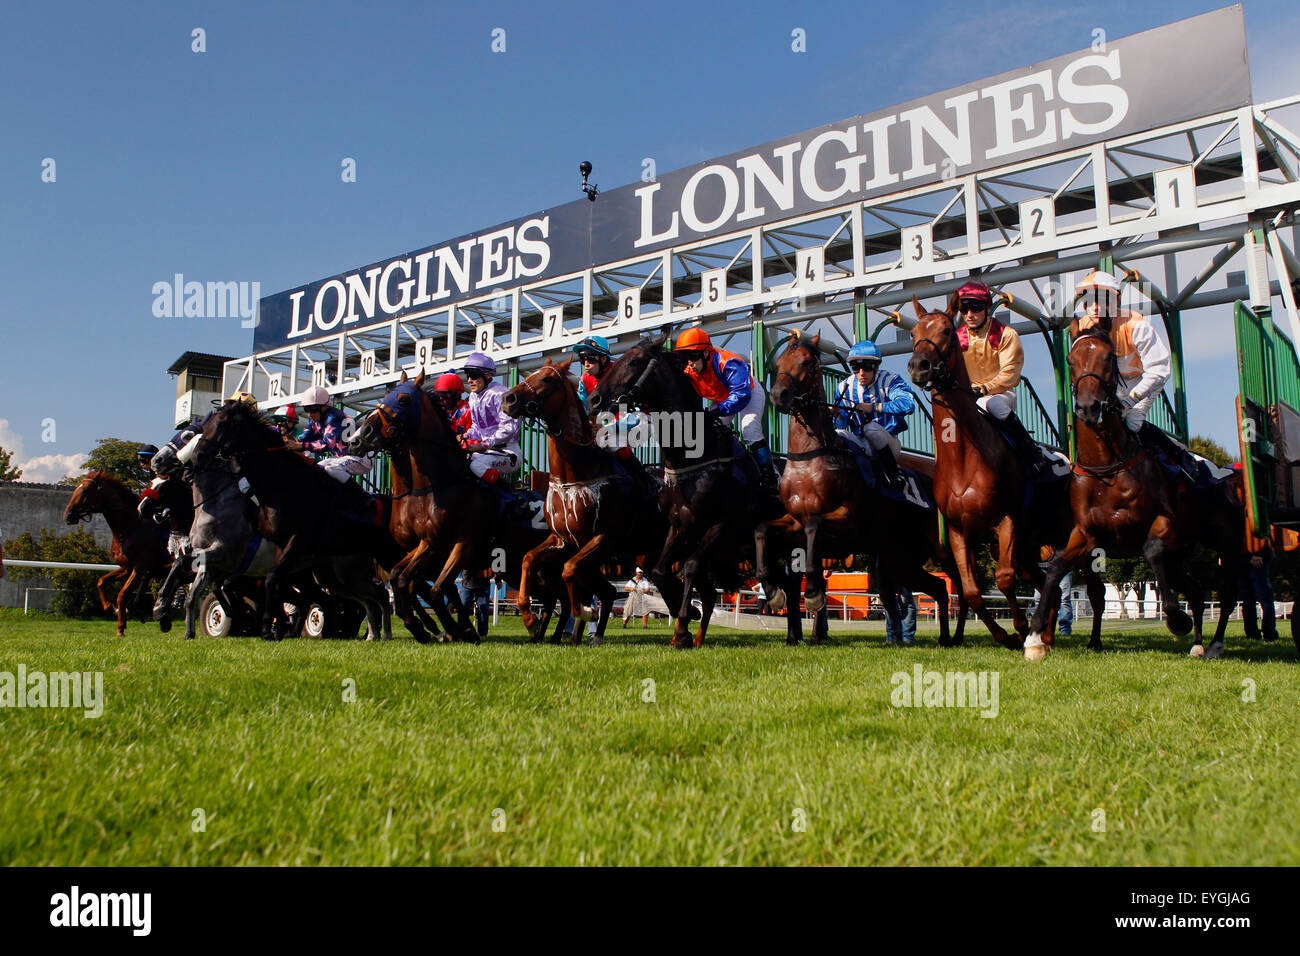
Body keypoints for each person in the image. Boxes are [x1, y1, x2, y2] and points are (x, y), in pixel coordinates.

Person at [1074, 270, 1196, 478]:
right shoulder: (1084, 326)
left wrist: (1131, 401)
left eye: (1100, 300)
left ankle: (1179, 457)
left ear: (1116, 300)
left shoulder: (1136, 325)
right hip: (1112, 384)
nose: (1094, 307)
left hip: (1142, 381)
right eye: (1088, 301)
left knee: (1132, 423)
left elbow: (1159, 369)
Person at [953, 280, 1049, 477]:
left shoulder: (1007, 335)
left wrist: (983, 389)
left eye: (976, 308)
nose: (969, 314)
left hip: (1000, 394)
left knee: (994, 405)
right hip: (966, 396)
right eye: (964, 309)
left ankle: (1031, 451)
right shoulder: (955, 338)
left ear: (987, 308)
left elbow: (1010, 374)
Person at [675, 327, 777, 491]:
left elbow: (741, 396)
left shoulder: (728, 362)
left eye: (693, 356)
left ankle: (770, 477)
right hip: (722, 398)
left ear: (706, 353)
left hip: (748, 393)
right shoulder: (690, 371)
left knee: (749, 430)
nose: (689, 363)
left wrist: (716, 412)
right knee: (709, 431)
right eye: (685, 357)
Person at [832, 340, 914, 488]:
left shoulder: (890, 380)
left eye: (867, 367)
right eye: (856, 367)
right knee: (838, 434)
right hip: (860, 443)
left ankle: (894, 474)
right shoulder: (844, 386)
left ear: (876, 366)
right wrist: (836, 415)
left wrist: (874, 407)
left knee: (871, 428)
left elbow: (908, 405)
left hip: (888, 442)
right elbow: (841, 425)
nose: (861, 373)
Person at [458, 353, 522, 484]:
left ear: (487, 376)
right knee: (460, 462)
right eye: (467, 375)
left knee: (476, 466)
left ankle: (507, 490)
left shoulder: (500, 393)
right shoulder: (473, 396)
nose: (469, 380)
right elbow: (477, 427)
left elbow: (509, 428)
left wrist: (482, 445)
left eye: (473, 375)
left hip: (508, 453)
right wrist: (466, 435)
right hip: (490, 452)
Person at [290, 385, 374, 484]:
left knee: (332, 468)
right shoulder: (314, 419)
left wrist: (299, 446)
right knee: (316, 469)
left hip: (361, 458)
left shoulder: (334, 417)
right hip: (342, 457)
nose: (309, 414)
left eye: (312, 409)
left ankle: (358, 492)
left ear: (324, 407)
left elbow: (325, 445)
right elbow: (303, 439)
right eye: (306, 409)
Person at [1238, 549, 1279, 642]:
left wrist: (1259, 554)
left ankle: (1264, 633)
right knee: (1251, 600)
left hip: (1256, 558)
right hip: (1245, 559)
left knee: (1261, 599)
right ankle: (1262, 634)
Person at [432, 372, 472, 438]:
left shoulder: (468, 412)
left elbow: (474, 440)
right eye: (438, 395)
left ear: (456, 395)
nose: (440, 398)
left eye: (444, 395)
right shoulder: (440, 412)